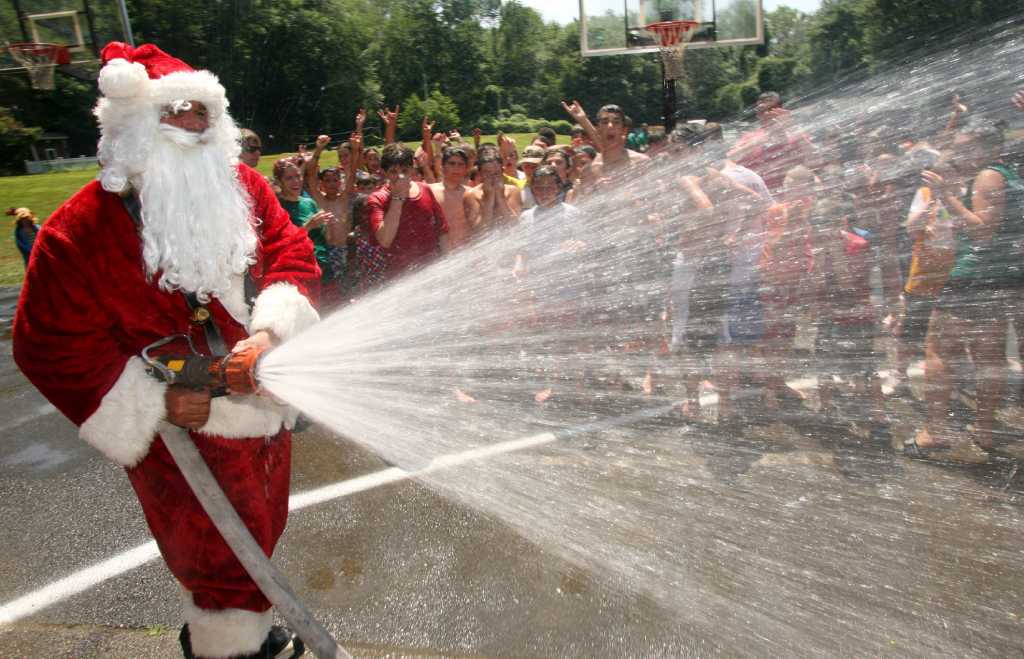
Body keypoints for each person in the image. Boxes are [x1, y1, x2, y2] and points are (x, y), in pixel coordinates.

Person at [12, 43, 319, 659]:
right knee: (218, 567)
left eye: (201, 111)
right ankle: (230, 648)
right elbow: (45, 343)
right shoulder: (79, 231)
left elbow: (291, 253)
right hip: (184, 435)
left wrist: (269, 332)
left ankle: (244, 630)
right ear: (133, 125)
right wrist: (154, 402)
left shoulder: (247, 187)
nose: (192, 126)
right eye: (175, 111)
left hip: (264, 408)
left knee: (257, 540)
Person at [909, 121, 1022, 462]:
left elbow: (983, 232)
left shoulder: (988, 176)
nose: (959, 153)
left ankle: (933, 432)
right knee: (989, 354)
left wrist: (946, 197)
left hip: (975, 276)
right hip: (1003, 275)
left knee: (938, 347)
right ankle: (984, 430)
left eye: (965, 146)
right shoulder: (1009, 175)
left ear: (987, 147)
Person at [366, 143, 450, 279]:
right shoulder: (377, 199)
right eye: (393, 171)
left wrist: (448, 263)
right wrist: (397, 198)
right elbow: (385, 240)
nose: (400, 177)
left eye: (404, 171)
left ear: (412, 169)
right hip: (398, 277)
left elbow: (442, 231)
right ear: (384, 172)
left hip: (433, 270)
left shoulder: (425, 189)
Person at [727, 91, 815, 195]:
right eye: (761, 110)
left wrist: (790, 125)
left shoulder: (795, 132)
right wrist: (756, 143)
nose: (766, 114)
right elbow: (730, 159)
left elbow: (813, 157)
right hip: (761, 196)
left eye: (770, 109)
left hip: (792, 195)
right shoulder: (750, 137)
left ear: (781, 109)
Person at [429, 145, 479, 248]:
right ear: (442, 167)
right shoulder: (429, 192)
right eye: (452, 163)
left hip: (467, 252)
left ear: (466, 169)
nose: (456, 168)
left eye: (461, 164)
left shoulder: (472, 194)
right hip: (436, 254)